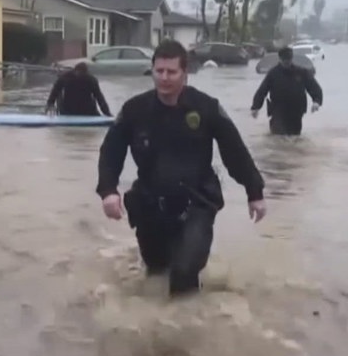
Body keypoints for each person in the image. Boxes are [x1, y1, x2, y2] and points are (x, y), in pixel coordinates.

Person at [96, 39, 267, 297]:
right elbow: (111, 152)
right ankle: (156, 329)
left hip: (196, 203)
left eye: (171, 72)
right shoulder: (135, 110)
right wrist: (108, 190)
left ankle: (190, 328)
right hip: (151, 204)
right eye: (159, 71)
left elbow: (235, 151)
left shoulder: (206, 107)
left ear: (185, 74)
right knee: (155, 273)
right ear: (152, 70)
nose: (164, 78)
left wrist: (254, 192)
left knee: (183, 273)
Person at [249, 47, 323, 136]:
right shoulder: (273, 73)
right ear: (280, 59)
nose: (287, 62)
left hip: (296, 112)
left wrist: (316, 102)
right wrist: (255, 107)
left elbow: (314, 88)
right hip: (278, 111)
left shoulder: (301, 72)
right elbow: (262, 91)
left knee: (295, 138)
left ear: (291, 59)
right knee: (277, 137)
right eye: (284, 60)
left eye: (289, 60)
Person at [45, 62, 112, 117]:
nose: (79, 76)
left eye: (82, 74)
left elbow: (99, 98)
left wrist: (108, 114)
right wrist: (50, 105)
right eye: (78, 73)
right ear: (75, 71)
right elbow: (54, 92)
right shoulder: (65, 78)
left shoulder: (91, 80)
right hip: (68, 110)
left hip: (87, 110)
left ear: (86, 73)